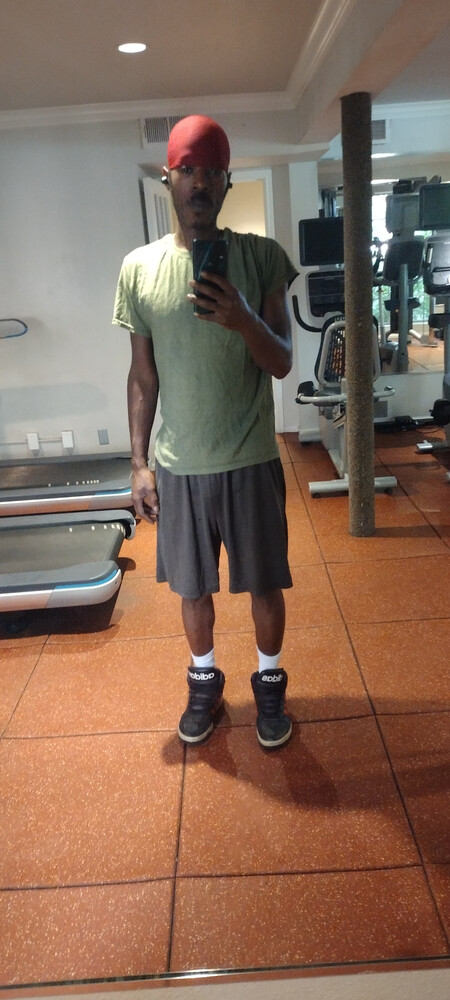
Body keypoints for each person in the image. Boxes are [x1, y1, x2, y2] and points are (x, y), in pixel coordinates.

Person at [113, 115, 297, 748]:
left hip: (250, 456)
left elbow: (282, 361)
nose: (198, 182)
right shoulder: (139, 269)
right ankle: (204, 683)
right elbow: (142, 377)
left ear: (226, 182)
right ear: (169, 178)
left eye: (211, 172)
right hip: (179, 465)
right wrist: (138, 464)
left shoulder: (262, 258)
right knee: (192, 589)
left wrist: (243, 317)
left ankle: (269, 685)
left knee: (264, 582)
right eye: (187, 170)